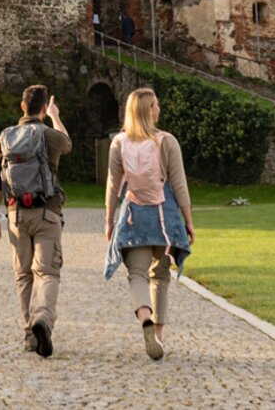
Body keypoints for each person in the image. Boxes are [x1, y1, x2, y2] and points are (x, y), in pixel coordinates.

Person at [102, 86, 194, 361]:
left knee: (137, 274)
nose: (158, 109)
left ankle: (145, 317)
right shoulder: (167, 141)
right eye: (155, 105)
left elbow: (113, 186)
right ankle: (159, 335)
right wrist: (188, 221)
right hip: (164, 217)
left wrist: (109, 219)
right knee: (161, 276)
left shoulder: (119, 143)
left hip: (134, 216)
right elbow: (179, 185)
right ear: (149, 111)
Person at [0, 83, 71, 358]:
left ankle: (29, 336)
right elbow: (67, 144)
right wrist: (56, 116)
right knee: (47, 272)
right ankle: (42, 320)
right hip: (47, 213)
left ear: (22, 106)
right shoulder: (48, 134)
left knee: (23, 275)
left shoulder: (5, 136)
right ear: (43, 109)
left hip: (16, 215)